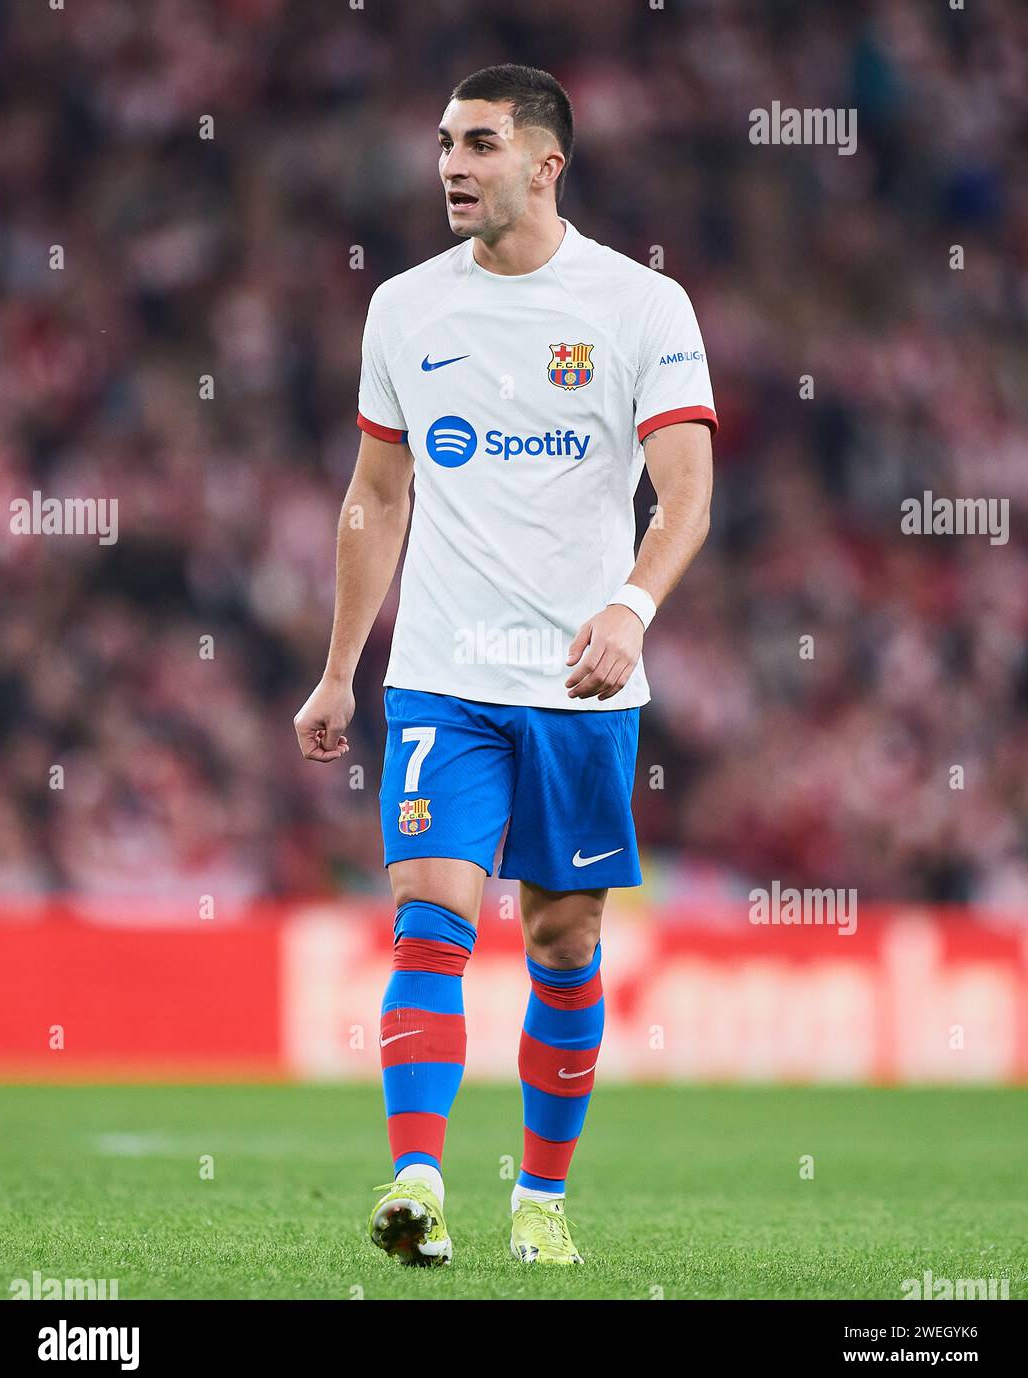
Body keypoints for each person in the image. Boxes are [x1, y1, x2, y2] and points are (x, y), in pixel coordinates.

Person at [293, 63, 716, 1267]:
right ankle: (417, 1180)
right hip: (440, 673)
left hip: (580, 683)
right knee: (430, 916)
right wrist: (340, 672)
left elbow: (684, 493)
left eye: (477, 144)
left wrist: (631, 608)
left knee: (561, 942)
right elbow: (375, 496)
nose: (448, 166)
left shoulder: (641, 306)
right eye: (441, 143)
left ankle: (538, 1196)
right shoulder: (404, 308)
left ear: (544, 163)